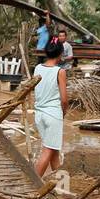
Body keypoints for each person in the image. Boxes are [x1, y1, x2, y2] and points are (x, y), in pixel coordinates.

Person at [32, 40, 68, 177]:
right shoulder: (60, 71)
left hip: (39, 114)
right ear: (61, 54)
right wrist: (63, 113)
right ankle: (34, 183)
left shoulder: (37, 68)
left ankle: (60, 184)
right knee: (48, 150)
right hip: (53, 114)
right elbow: (64, 99)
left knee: (54, 150)